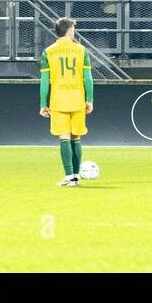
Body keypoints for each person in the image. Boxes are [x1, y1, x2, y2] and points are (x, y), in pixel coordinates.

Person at [39, 17, 94, 187]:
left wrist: (43, 104)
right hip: (77, 99)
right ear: (69, 31)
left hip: (58, 101)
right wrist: (89, 99)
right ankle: (76, 176)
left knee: (64, 137)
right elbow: (88, 79)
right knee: (76, 138)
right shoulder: (81, 50)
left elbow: (44, 81)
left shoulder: (48, 52)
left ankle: (69, 177)